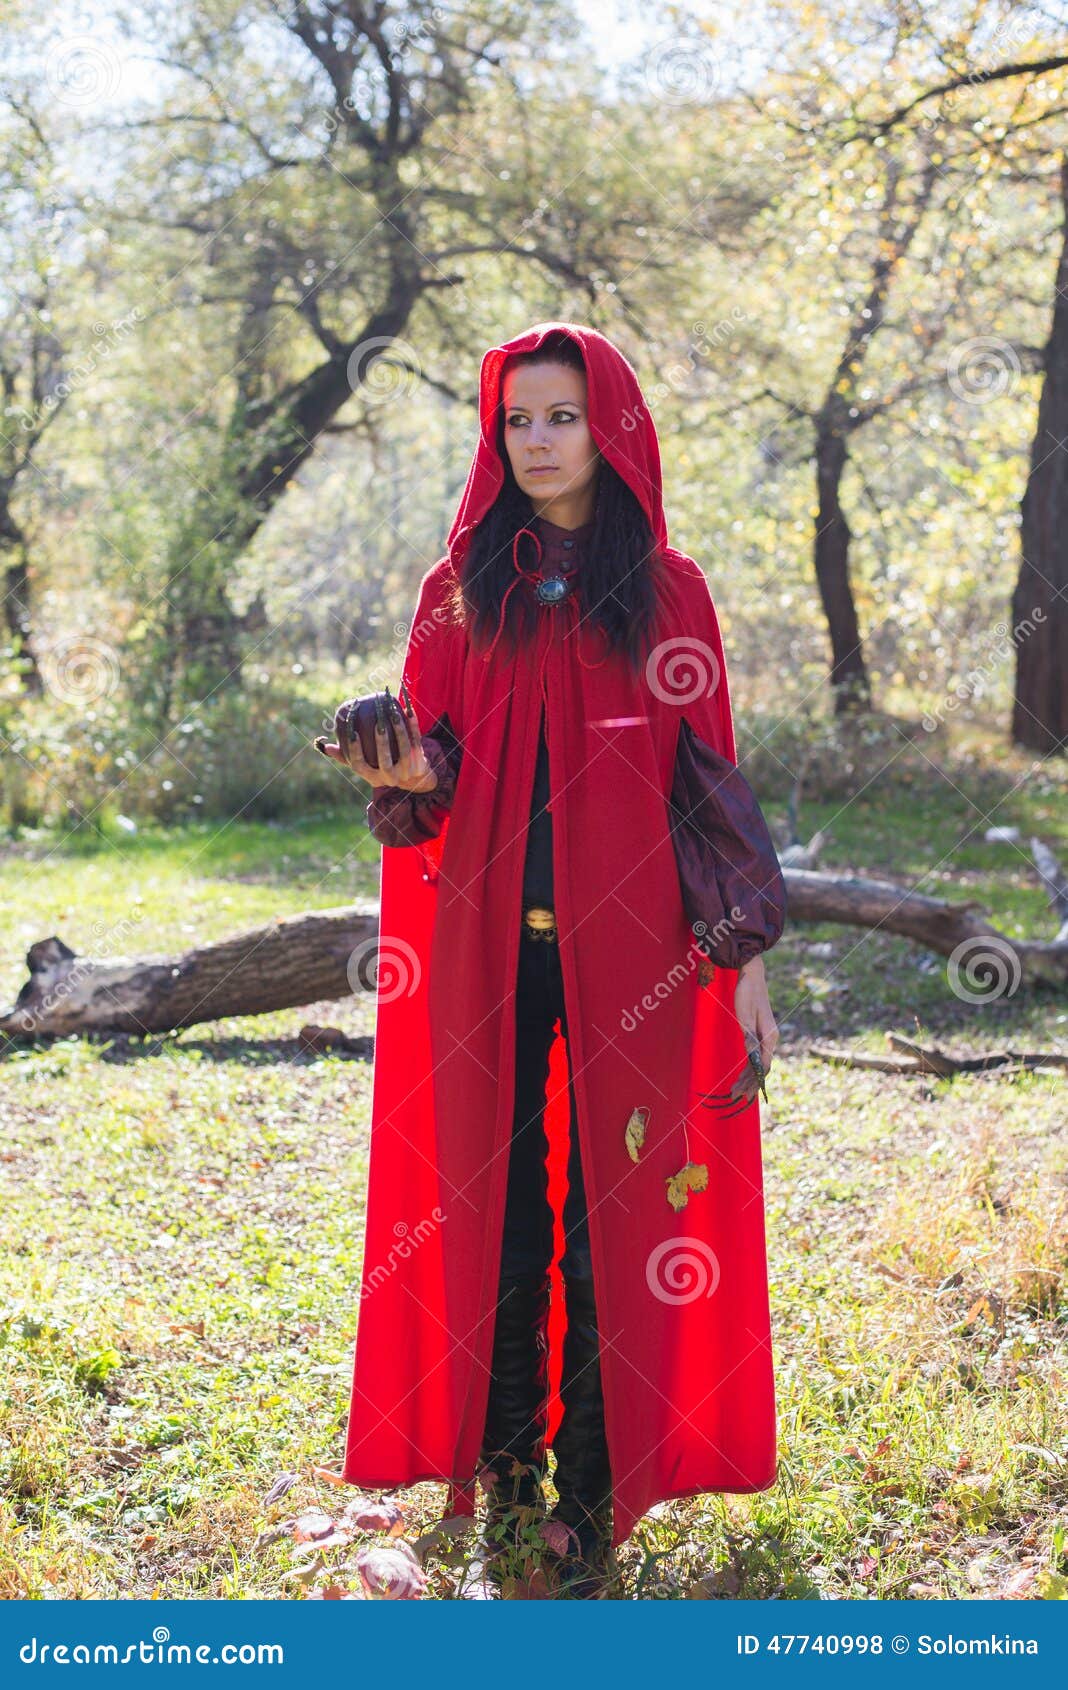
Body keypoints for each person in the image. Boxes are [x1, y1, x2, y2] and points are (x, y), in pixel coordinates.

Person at [317, 322, 786, 1598]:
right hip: (487, 951)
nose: (536, 440)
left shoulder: (671, 593)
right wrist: (394, 760)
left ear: (609, 428)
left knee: (612, 1219)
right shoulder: (458, 588)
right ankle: (508, 1486)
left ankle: (588, 1499)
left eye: (561, 416)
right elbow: (431, 781)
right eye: (516, 419)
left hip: (636, 957)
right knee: (498, 1215)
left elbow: (706, 781)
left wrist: (745, 958)